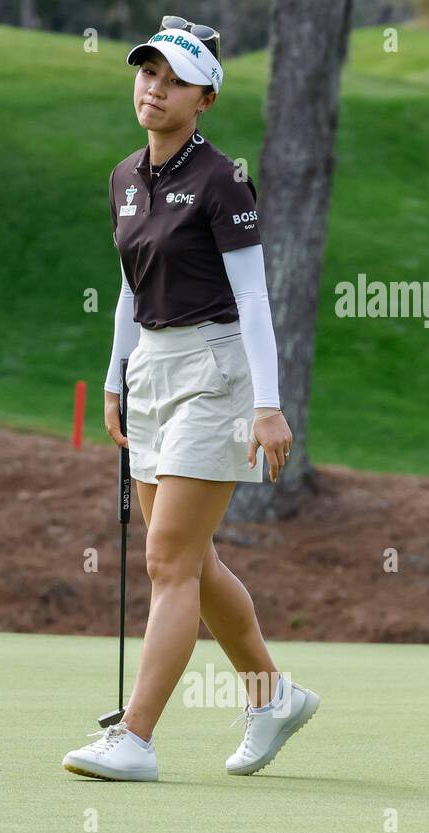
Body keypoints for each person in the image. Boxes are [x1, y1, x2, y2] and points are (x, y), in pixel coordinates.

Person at [62, 17, 320, 782]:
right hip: (150, 371)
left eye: (173, 80)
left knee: (168, 560)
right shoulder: (123, 177)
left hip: (216, 371)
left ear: (204, 95)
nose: (154, 88)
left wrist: (267, 404)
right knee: (193, 561)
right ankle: (272, 695)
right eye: (147, 74)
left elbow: (254, 298)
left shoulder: (221, 181)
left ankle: (135, 738)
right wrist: (114, 374)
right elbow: (127, 286)